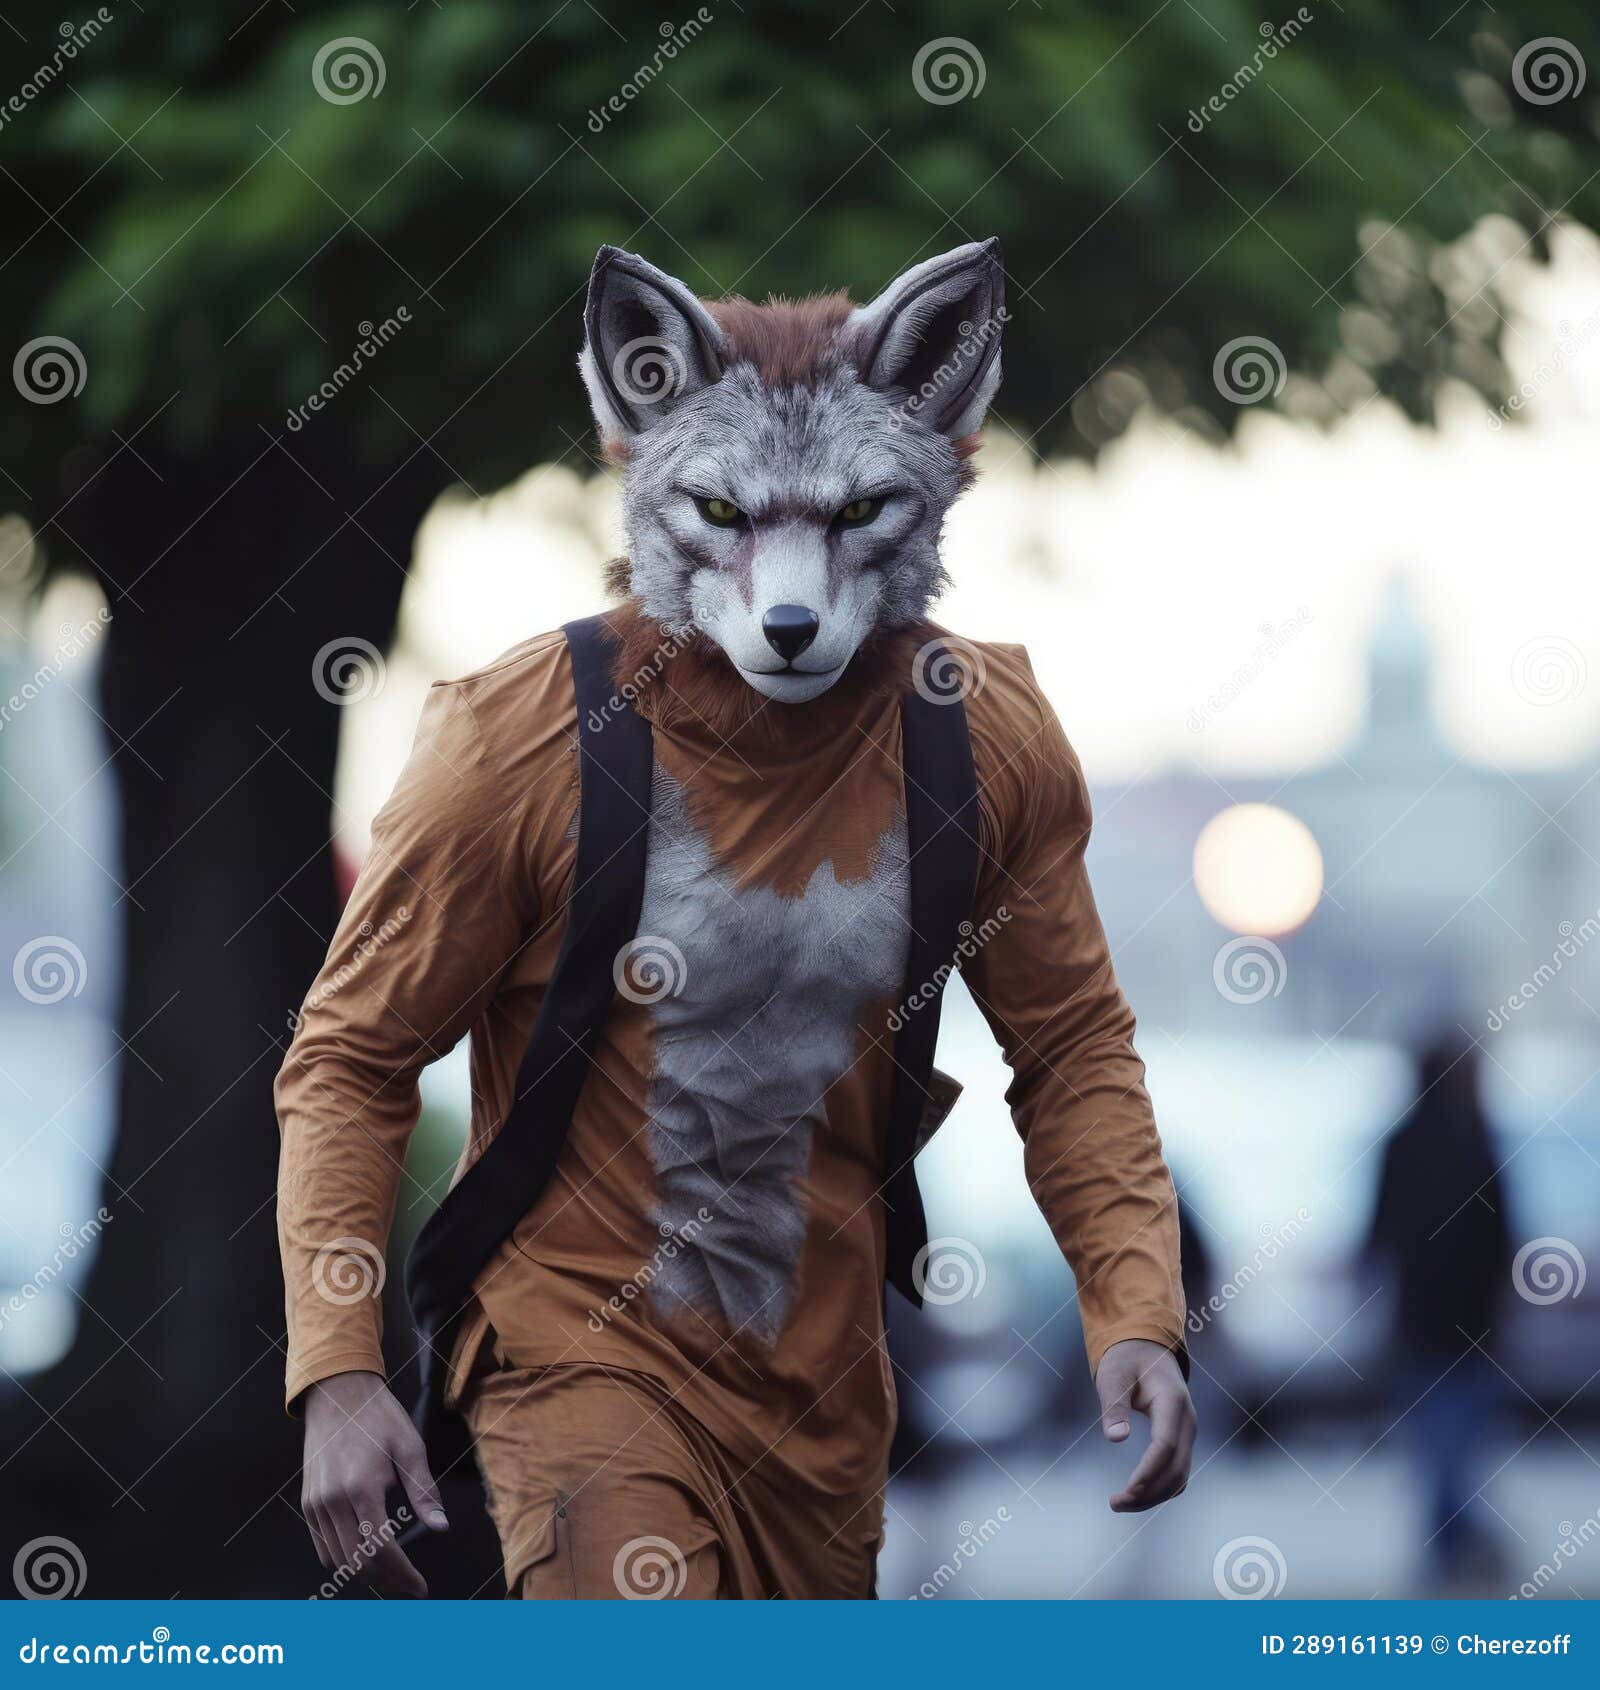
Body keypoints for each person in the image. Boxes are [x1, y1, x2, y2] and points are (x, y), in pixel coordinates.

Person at [276, 239, 1193, 1599]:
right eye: (725, 510)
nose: (788, 591)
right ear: (636, 452)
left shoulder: (985, 744)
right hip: (571, 1356)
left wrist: (1137, 1307)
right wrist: (338, 1373)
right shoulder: (520, 741)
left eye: (852, 512)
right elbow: (350, 1055)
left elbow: (1071, 1053)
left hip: (825, 1404)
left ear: (943, 456)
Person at [1364, 1036, 1512, 1588]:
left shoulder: (1405, 1145)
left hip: (1426, 1327)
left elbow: (1376, 1236)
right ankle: (1458, 1552)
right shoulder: (1478, 1144)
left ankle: (1452, 1553)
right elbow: (1505, 1242)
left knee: (1439, 1453)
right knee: (1457, 1454)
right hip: (1470, 1327)